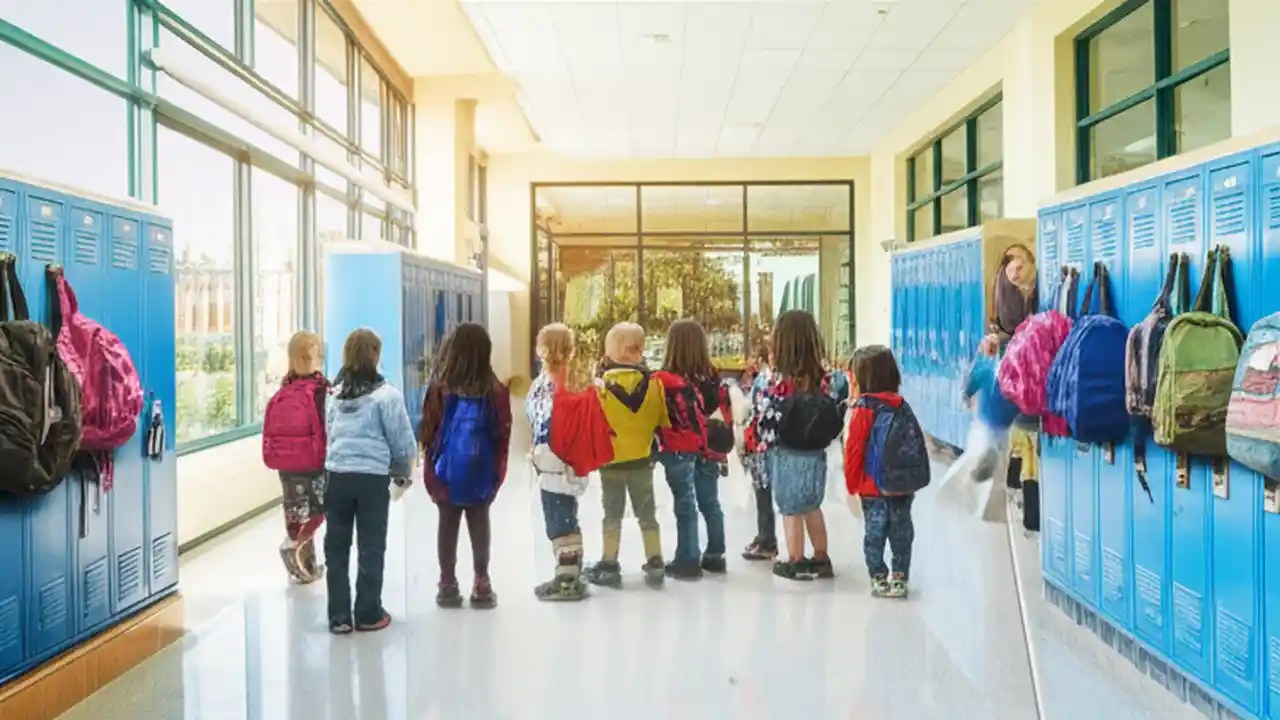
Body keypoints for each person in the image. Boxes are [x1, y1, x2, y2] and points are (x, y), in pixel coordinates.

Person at [324, 329, 416, 634]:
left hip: (337, 477)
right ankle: (368, 613)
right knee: (371, 546)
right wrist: (402, 473)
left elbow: (330, 433)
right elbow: (401, 441)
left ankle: (339, 616)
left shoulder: (334, 395)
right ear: (375, 355)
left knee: (336, 548)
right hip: (371, 480)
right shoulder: (386, 395)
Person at [419, 323, 512, 609]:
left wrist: (430, 465)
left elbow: (428, 427)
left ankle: (447, 584)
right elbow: (503, 431)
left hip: (445, 470)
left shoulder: (440, 386)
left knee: (447, 523)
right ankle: (481, 583)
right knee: (479, 521)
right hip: (481, 471)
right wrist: (498, 472)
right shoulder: (495, 389)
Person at [755, 311, 841, 581]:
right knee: (811, 505)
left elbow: (762, 416)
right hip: (816, 452)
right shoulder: (826, 377)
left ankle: (794, 559)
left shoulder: (774, 379)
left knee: (790, 508)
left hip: (785, 452)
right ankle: (820, 557)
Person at [585, 322, 670, 589]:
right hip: (642, 460)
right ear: (639, 351)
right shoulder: (656, 386)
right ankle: (655, 560)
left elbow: (593, 423)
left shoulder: (599, 389)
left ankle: (609, 562)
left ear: (611, 353)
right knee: (647, 513)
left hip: (610, 462)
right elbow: (662, 421)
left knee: (612, 513)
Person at [653, 320, 727, 580]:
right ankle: (715, 554)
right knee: (710, 502)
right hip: (710, 447)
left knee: (685, 503)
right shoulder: (713, 376)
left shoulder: (668, 380)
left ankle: (687, 558)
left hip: (681, 447)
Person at [844, 345, 918, 598]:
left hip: (871, 487)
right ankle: (900, 576)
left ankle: (878, 575)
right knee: (901, 531)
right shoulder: (901, 406)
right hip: (901, 486)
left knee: (874, 533)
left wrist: (851, 482)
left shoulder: (863, 409)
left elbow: (854, 449)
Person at [526, 323, 590, 601]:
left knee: (558, 521)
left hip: (552, 460)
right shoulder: (576, 380)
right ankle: (572, 570)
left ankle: (567, 580)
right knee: (567, 515)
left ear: (542, 349)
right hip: (571, 460)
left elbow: (539, 420)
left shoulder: (544, 384)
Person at [263, 331, 330, 584]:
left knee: (295, 508)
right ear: (319, 359)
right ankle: (295, 544)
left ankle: (306, 566)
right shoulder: (321, 390)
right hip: (314, 460)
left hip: (287, 463)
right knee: (320, 506)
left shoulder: (283, 389)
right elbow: (328, 426)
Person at [740, 343, 778, 560]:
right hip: (758, 444)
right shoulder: (764, 378)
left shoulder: (776, 379)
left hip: (769, 445)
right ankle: (765, 536)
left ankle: (768, 539)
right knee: (761, 493)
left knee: (766, 492)